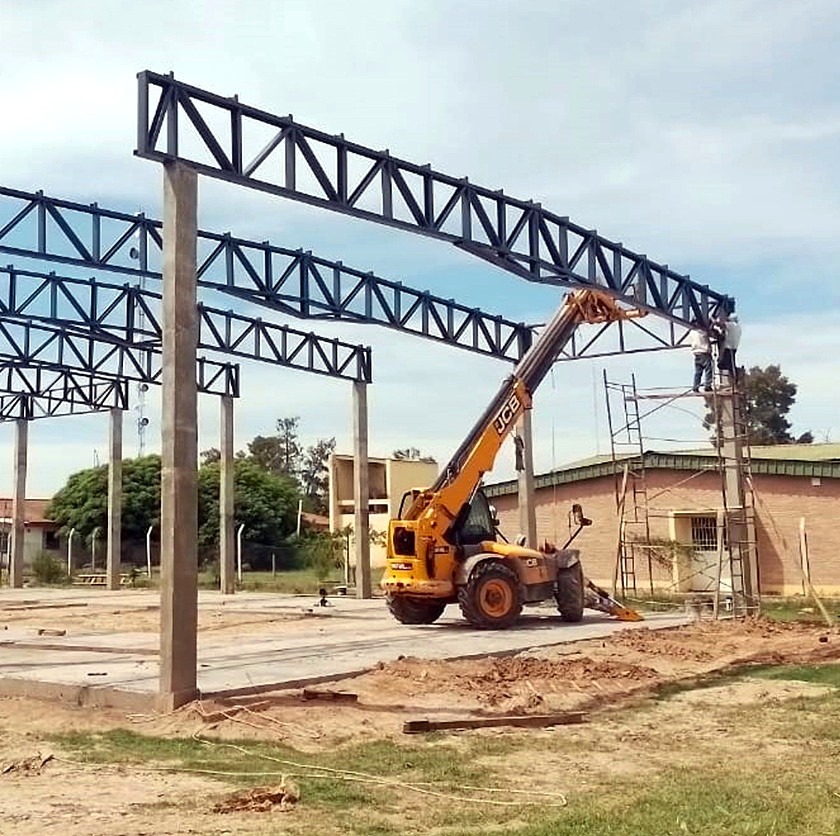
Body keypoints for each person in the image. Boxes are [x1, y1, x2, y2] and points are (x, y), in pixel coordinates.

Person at [688, 321, 713, 392]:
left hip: (696, 354)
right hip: (704, 352)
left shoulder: (692, 332)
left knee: (698, 372)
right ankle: (708, 386)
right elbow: (709, 333)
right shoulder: (703, 331)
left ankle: (695, 387)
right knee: (708, 370)